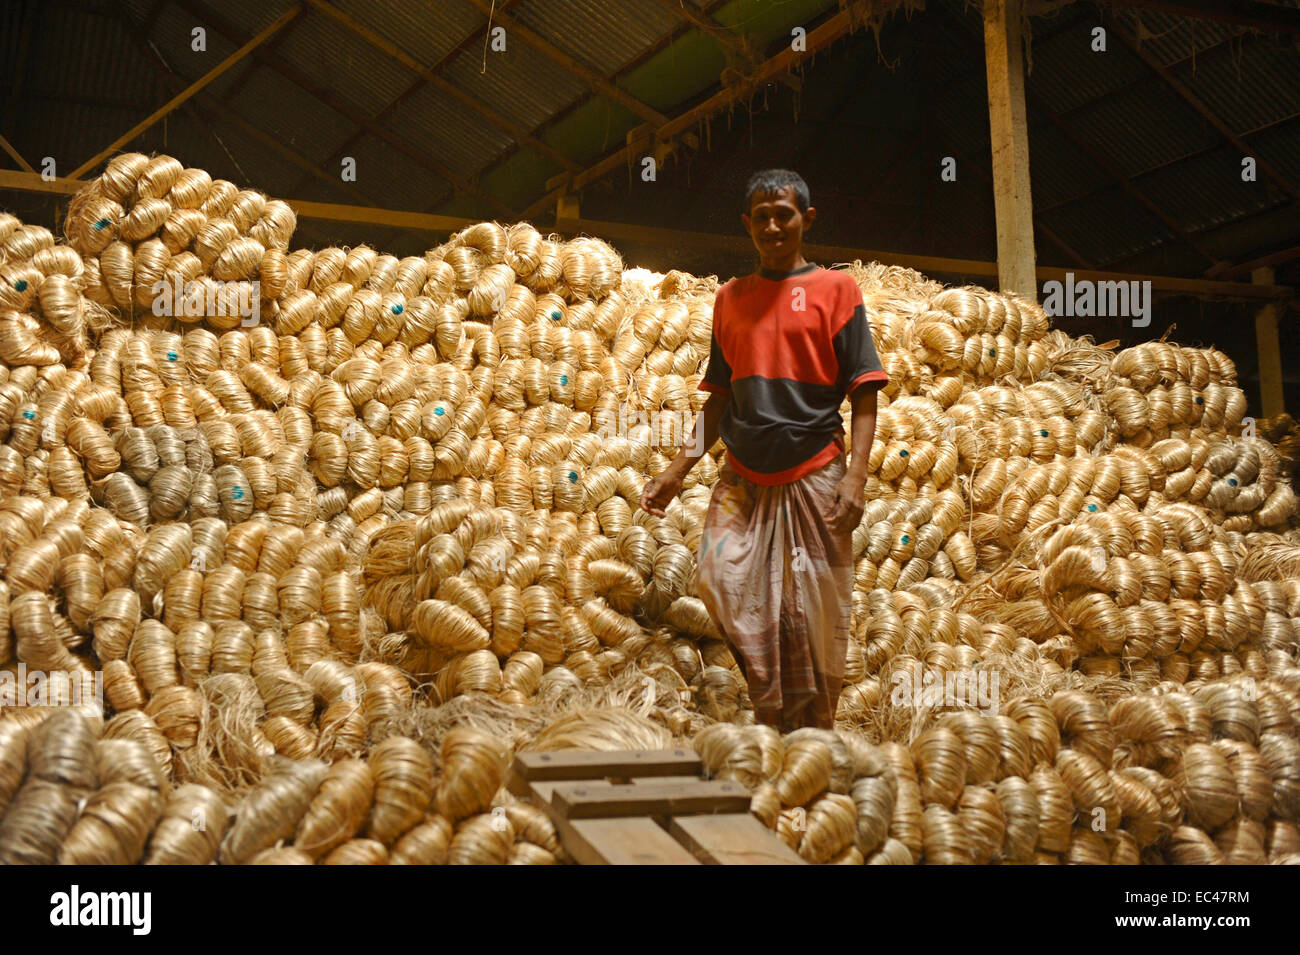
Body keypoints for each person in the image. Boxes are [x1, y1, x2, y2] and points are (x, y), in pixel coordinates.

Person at [640, 169, 889, 731]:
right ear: (747, 223)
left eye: (785, 214)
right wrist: (677, 471)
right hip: (743, 476)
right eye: (762, 216)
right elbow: (720, 398)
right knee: (720, 579)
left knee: (808, 615)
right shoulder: (731, 300)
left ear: (808, 219)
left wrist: (856, 479)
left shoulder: (837, 291)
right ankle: (770, 704)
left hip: (816, 474)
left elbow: (865, 391)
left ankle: (809, 733)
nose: (773, 226)